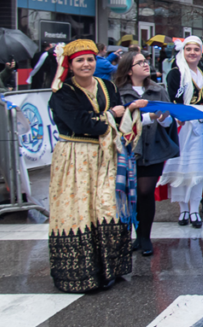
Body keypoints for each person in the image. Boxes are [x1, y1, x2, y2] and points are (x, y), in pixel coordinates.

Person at [47, 39, 143, 292]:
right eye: (80, 60)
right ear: (70, 64)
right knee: (79, 211)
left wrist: (131, 111)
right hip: (75, 158)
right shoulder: (63, 93)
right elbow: (82, 124)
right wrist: (113, 115)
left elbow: (118, 115)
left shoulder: (107, 85)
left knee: (107, 207)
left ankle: (109, 269)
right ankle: (82, 275)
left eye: (90, 59)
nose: (86, 64)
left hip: (106, 156)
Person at [114, 52, 178, 257]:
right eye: (139, 62)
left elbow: (169, 121)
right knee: (130, 192)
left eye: (145, 62)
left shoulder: (157, 90)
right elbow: (119, 120)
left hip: (153, 148)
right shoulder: (118, 92)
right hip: (128, 149)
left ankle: (145, 236)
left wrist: (162, 119)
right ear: (128, 68)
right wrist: (147, 117)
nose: (145, 65)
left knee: (145, 191)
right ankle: (135, 234)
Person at [160, 36, 203, 229]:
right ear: (182, 51)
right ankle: (183, 209)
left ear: (201, 52)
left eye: (196, 49)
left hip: (200, 126)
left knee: (197, 168)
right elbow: (174, 100)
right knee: (181, 168)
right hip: (182, 126)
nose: (192, 52)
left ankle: (194, 210)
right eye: (188, 49)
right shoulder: (176, 73)